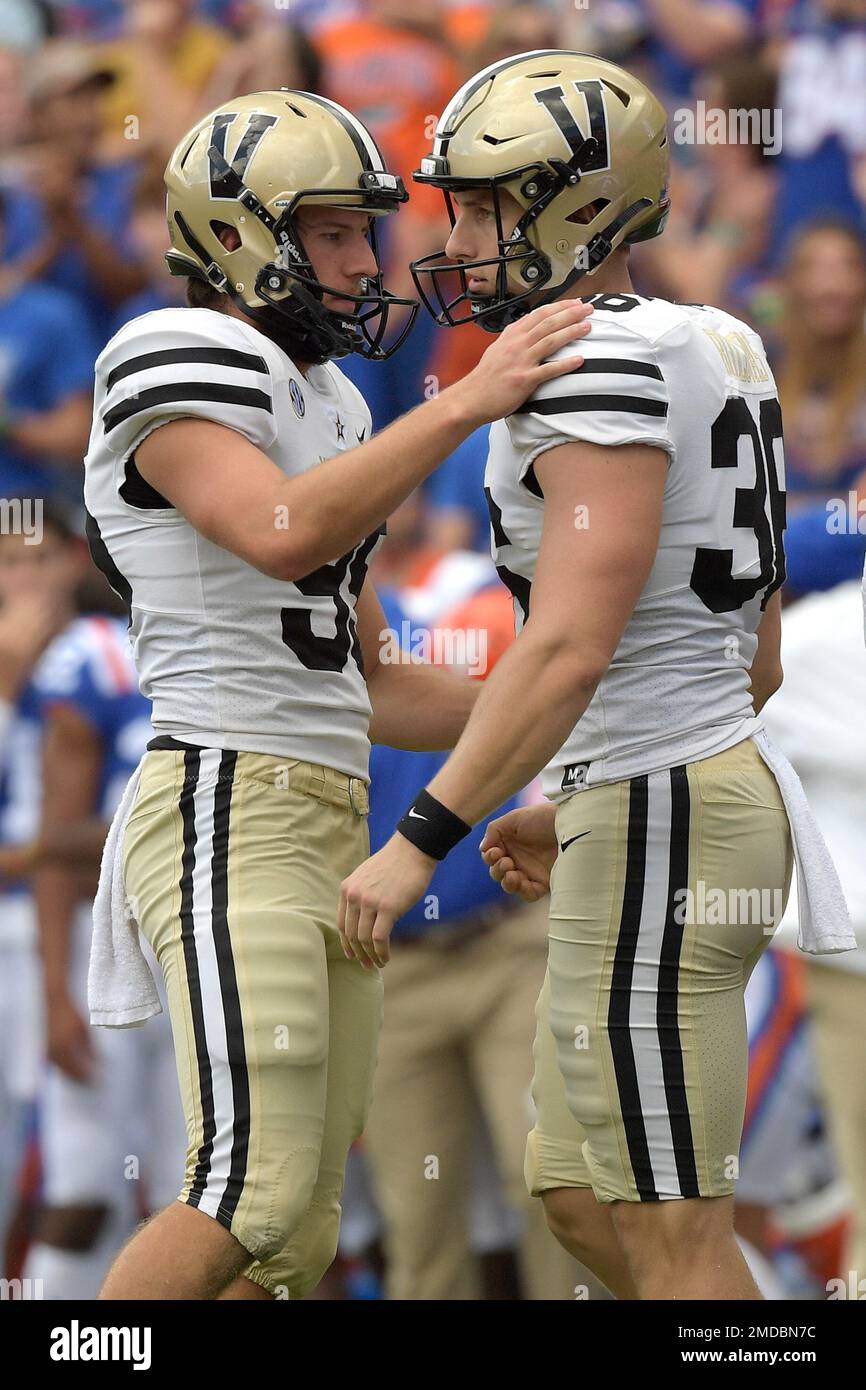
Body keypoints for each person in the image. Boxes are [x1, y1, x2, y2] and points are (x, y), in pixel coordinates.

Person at [339, 49, 850, 1302]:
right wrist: (585, 797)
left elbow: (567, 643)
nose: (452, 233)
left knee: (668, 1226)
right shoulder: (714, 337)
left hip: (671, 810)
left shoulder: (600, 364)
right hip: (672, 791)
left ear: (573, 201)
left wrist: (421, 836)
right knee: (572, 1190)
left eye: (481, 203)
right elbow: (753, 653)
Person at [84, 87, 594, 1301]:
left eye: (365, 231)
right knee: (245, 1188)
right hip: (224, 793)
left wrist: (571, 696)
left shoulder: (334, 401)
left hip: (321, 808)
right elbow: (278, 530)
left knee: (302, 1226)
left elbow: (377, 680)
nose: (363, 260)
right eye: (329, 233)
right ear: (239, 235)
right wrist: (467, 398)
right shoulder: (170, 348)